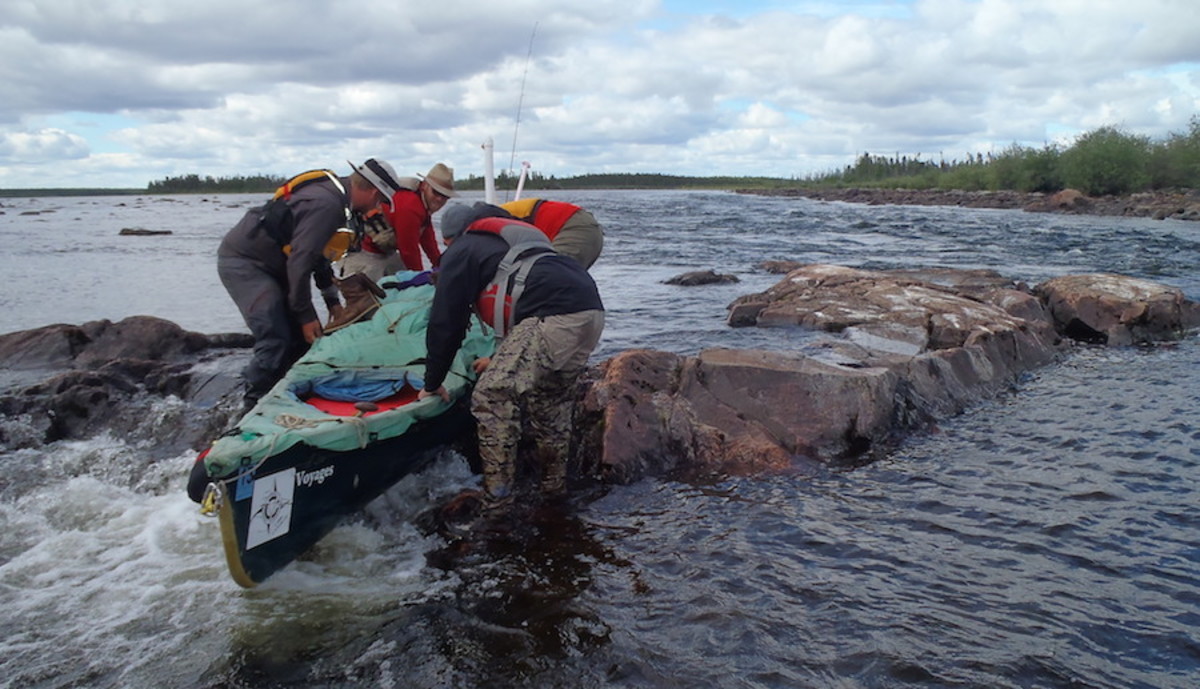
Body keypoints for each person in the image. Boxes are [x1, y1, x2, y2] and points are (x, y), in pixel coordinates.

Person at [418, 202, 604, 516]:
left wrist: (432, 382)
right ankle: (553, 494)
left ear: (452, 238)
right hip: (591, 312)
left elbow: (445, 322)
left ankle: (498, 502)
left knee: (492, 395)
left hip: (554, 317)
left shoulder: (462, 250)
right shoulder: (512, 244)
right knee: (551, 404)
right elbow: (520, 302)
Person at [217, 158, 403, 410]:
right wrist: (305, 316)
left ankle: (289, 398)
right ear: (371, 191)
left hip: (278, 266)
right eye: (380, 199)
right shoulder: (326, 205)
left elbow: (319, 256)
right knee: (276, 336)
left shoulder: (339, 201)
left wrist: (332, 303)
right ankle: (249, 409)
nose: (377, 206)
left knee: (304, 341)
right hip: (246, 263)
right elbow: (300, 262)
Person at [338, 162, 458, 281]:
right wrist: (420, 280)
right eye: (436, 192)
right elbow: (408, 251)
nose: (439, 199)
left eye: (445, 196)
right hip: (363, 253)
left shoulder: (422, 203)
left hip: (385, 253)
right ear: (425, 185)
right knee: (368, 297)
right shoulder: (411, 206)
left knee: (403, 279)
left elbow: (428, 240)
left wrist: (440, 267)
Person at [498, 198, 604, 269]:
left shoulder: (489, 220)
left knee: (548, 273)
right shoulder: (495, 214)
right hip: (581, 223)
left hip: (572, 226)